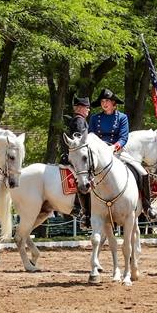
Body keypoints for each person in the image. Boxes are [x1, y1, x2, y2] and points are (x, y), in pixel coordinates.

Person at [88, 88, 153, 218]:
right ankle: (85, 211)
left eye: (107, 101)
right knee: (84, 174)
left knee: (142, 172)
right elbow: (91, 135)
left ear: (113, 103)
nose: (104, 103)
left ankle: (147, 206)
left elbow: (123, 137)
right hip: (99, 154)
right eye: (102, 101)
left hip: (117, 151)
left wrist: (114, 147)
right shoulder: (95, 118)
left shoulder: (122, 118)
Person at [63, 96, 92, 228]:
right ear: (80, 108)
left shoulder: (79, 120)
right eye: (87, 108)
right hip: (77, 157)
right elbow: (80, 142)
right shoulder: (79, 121)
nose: (88, 110)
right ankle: (81, 210)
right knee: (83, 179)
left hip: (76, 155)